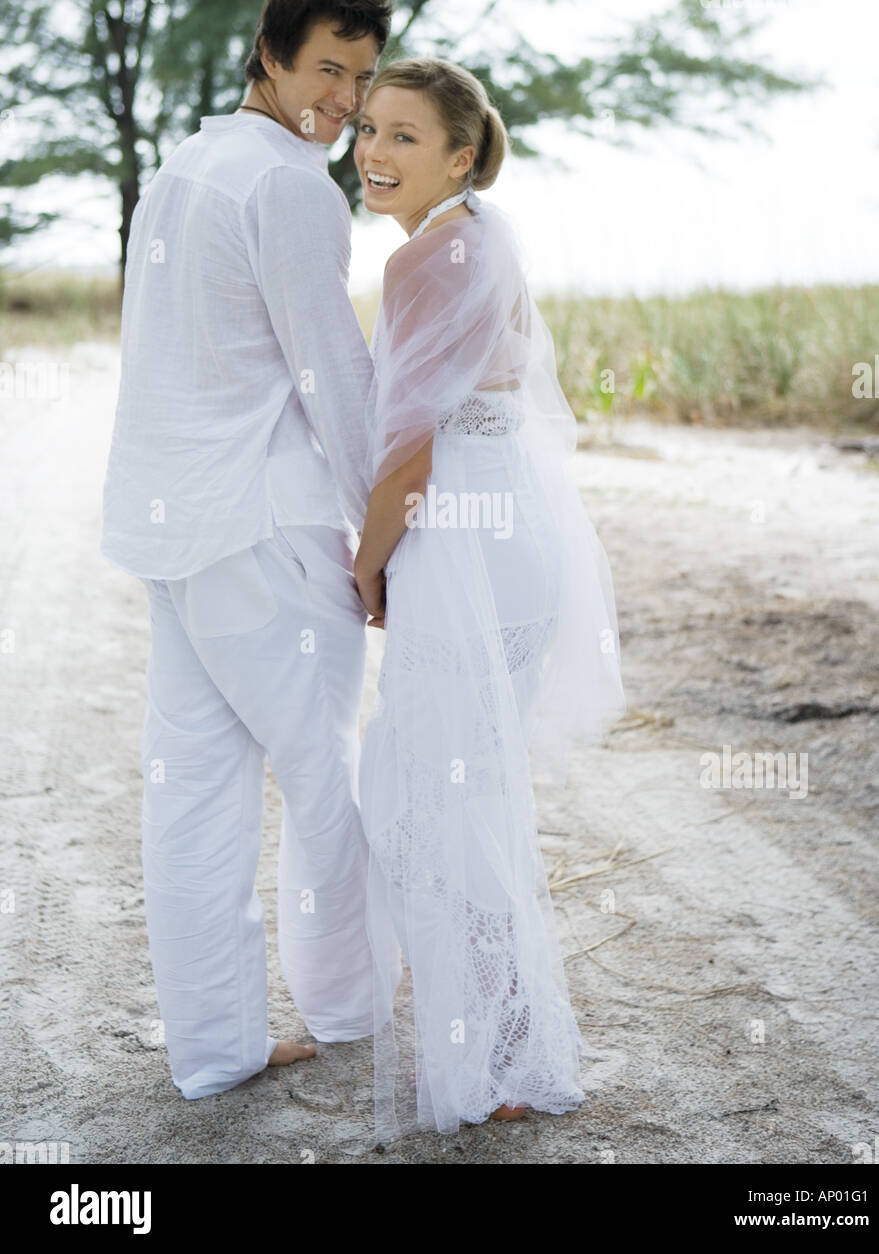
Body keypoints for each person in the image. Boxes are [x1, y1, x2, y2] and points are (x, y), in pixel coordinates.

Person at [99, 0, 401, 1100]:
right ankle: (347, 1003)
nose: (343, 104)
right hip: (263, 530)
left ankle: (216, 1047)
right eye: (327, 69)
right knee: (325, 781)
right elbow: (334, 378)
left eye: (362, 84)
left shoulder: (186, 164)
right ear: (269, 53)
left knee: (193, 791)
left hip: (173, 527)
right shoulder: (284, 185)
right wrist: (384, 538)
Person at [352, 58, 628, 1140]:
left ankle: (493, 1046)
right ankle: (500, 1025)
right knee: (464, 786)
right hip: (517, 533)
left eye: (404, 137)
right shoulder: (483, 235)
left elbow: (408, 453)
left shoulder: (429, 257)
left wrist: (366, 564)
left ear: (460, 155)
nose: (373, 152)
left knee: (431, 791)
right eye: (368, 129)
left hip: (462, 540)